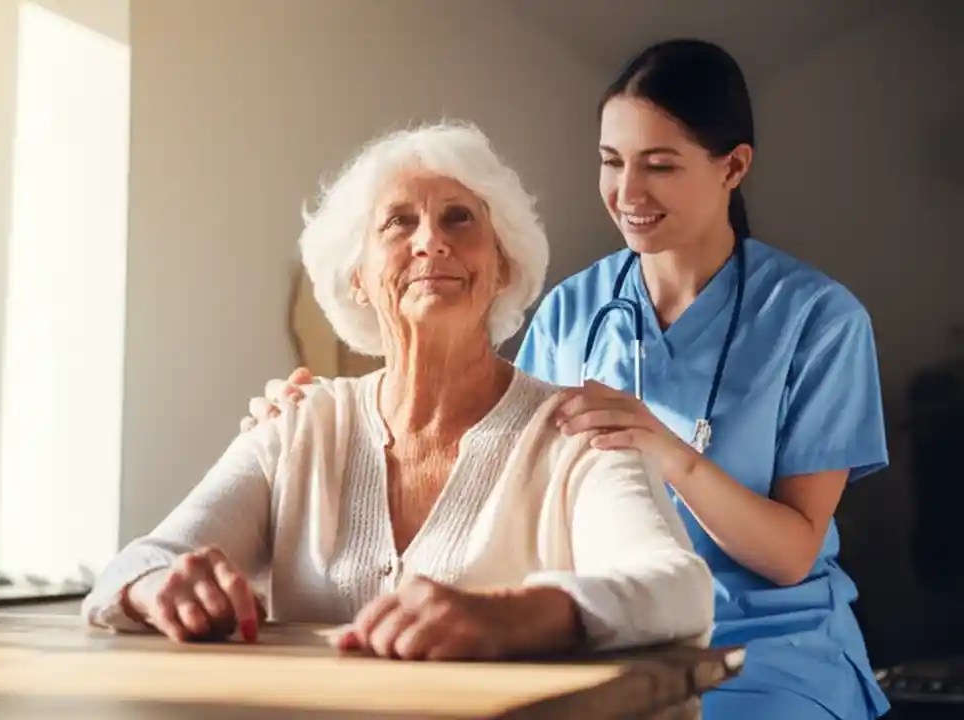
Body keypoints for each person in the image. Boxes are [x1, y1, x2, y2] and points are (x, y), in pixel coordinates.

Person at [248, 41, 889, 718]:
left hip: (770, 654)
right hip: (609, 640)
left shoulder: (820, 321)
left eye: (659, 166)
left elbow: (792, 555)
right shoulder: (571, 311)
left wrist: (666, 451)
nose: (627, 193)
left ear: (733, 166)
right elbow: (496, 472)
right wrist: (314, 428)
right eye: (611, 163)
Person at [82, 122, 714, 662]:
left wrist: (520, 614)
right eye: (399, 222)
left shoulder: (580, 435)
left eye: (459, 219)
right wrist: (158, 586)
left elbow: (680, 589)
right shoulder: (299, 424)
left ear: (504, 268)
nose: (430, 241)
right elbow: (134, 567)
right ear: (358, 279)